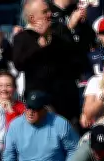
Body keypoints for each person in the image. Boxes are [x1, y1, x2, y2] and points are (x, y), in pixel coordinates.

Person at [13, 0, 88, 129]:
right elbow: (19, 64)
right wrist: (38, 47)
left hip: (65, 102)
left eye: (49, 10)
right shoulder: (22, 37)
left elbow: (75, 57)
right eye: (45, 12)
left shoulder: (60, 30)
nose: (50, 14)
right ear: (32, 18)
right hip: (39, 102)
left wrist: (51, 38)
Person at [3, 91, 80, 161]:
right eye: (28, 107)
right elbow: (9, 154)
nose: (30, 112)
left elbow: (74, 149)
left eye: (35, 109)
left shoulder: (60, 123)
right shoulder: (15, 126)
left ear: (44, 109)